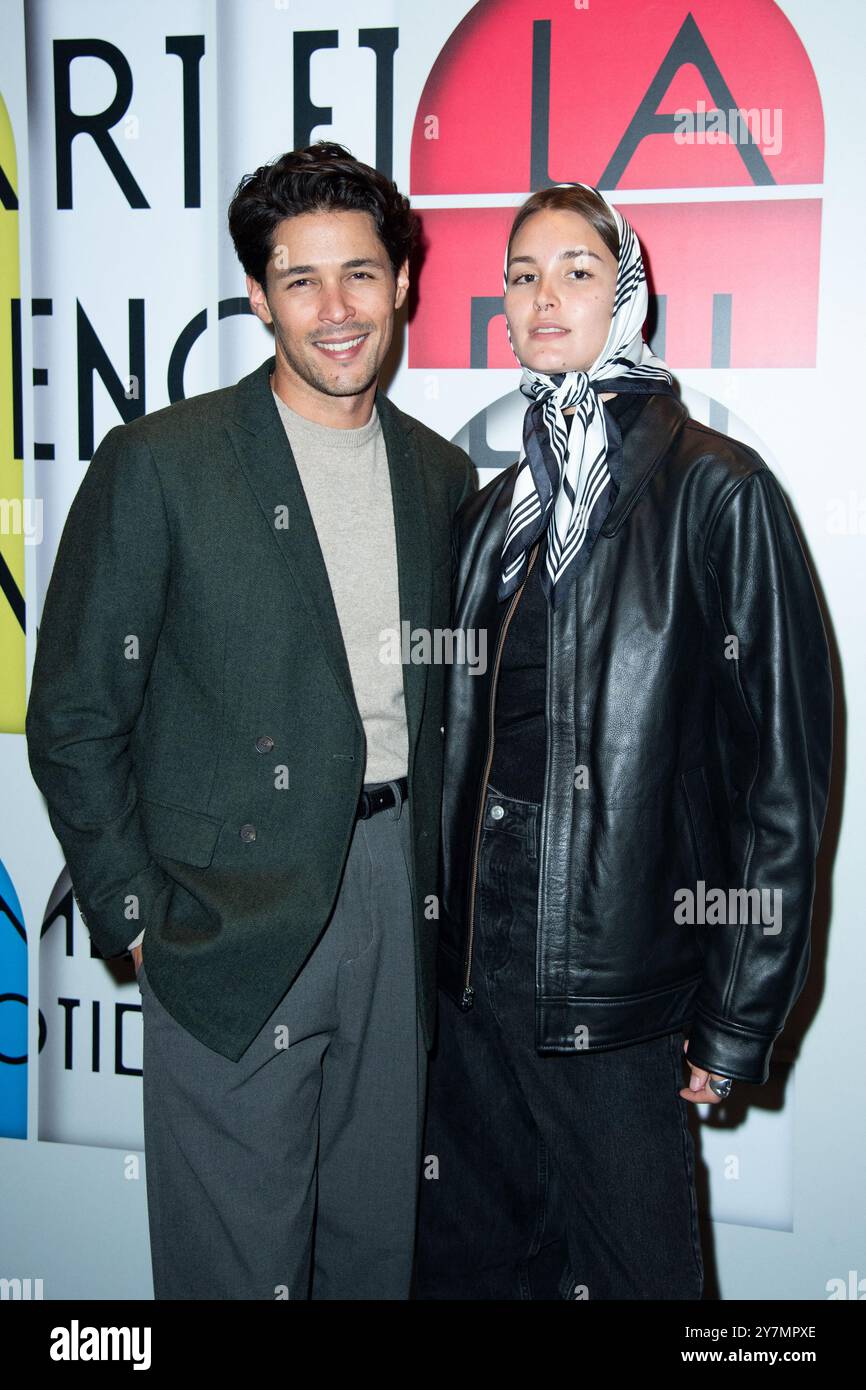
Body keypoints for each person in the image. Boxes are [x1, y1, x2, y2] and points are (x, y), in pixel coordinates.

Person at [26, 140, 475, 1300]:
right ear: (256, 295)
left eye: (360, 274)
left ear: (403, 283)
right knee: (237, 1263)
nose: (335, 310)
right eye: (299, 278)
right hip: (226, 919)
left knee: (378, 1249)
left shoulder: (439, 478)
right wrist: (137, 919)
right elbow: (73, 712)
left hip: (396, 895)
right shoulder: (161, 463)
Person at [414, 183, 833, 1300]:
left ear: (627, 291)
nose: (543, 295)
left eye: (575, 270)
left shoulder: (717, 490)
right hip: (467, 967)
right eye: (520, 273)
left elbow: (781, 779)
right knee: (475, 1270)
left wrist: (739, 1013)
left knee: (639, 1278)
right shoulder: (489, 510)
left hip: (618, 960)